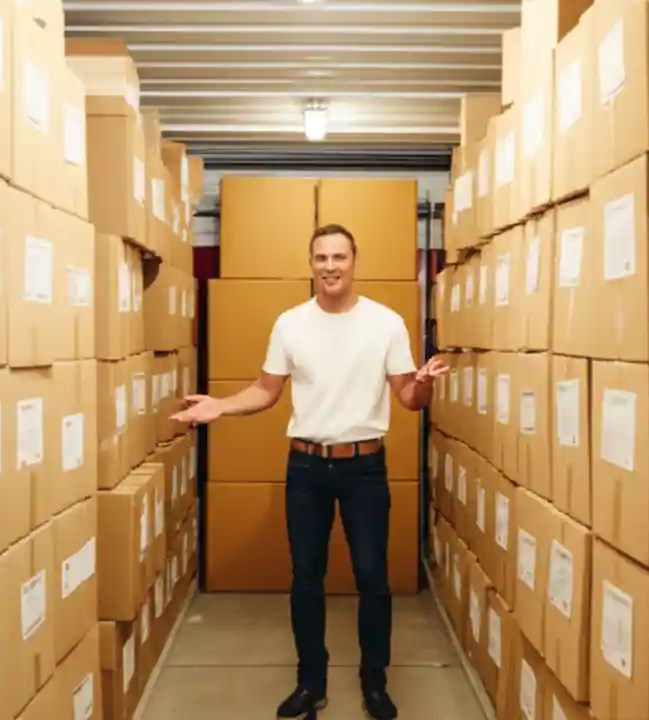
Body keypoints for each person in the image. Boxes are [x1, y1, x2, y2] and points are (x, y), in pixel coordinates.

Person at [172, 223, 449, 719]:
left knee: (372, 578)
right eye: (321, 258)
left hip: (365, 466)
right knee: (306, 578)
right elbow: (265, 390)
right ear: (311, 264)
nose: (330, 266)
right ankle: (311, 681)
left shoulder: (385, 323)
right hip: (306, 467)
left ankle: (375, 684)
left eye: (339, 257)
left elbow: (408, 398)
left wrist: (425, 385)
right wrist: (220, 406)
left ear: (354, 262)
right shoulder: (290, 324)